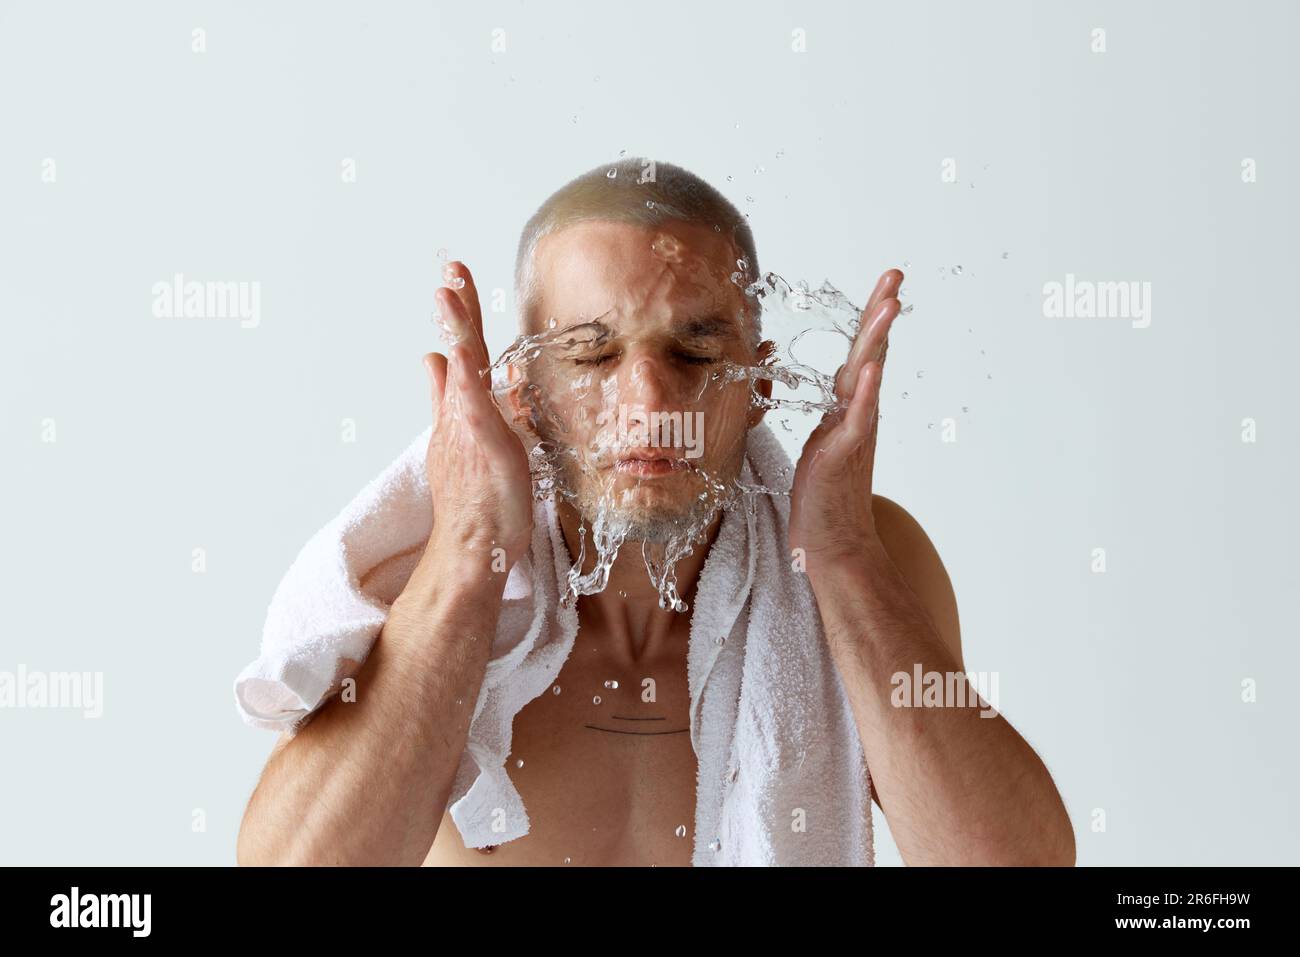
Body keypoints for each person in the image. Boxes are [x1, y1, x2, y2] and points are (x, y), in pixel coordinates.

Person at [235, 158, 1074, 866]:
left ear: (762, 383)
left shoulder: (867, 556)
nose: (647, 401)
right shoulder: (418, 569)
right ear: (522, 390)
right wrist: (467, 553)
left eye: (696, 351)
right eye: (591, 352)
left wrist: (846, 554)